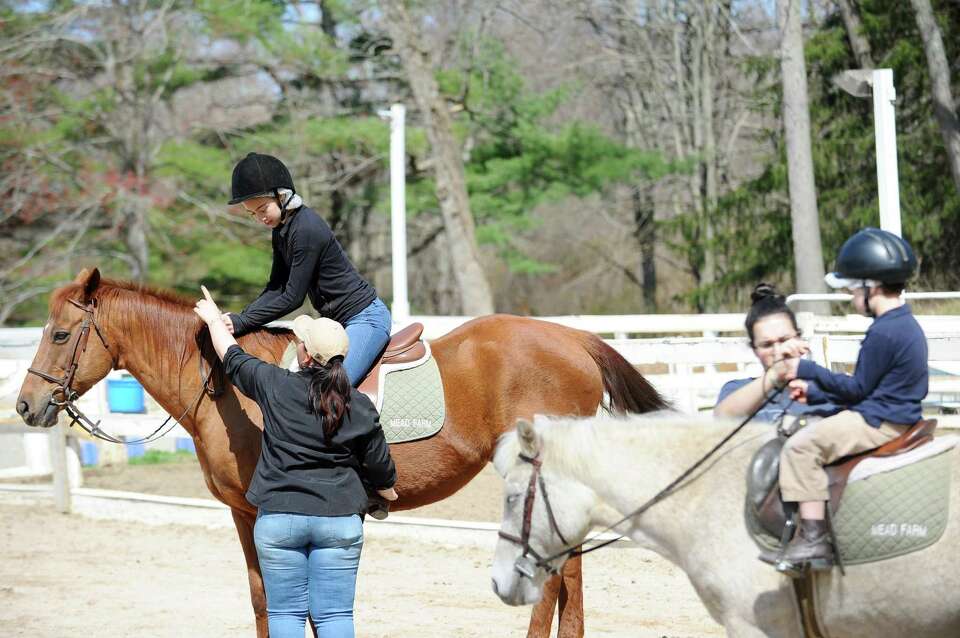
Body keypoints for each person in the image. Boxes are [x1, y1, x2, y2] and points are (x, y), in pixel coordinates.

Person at [194, 286, 398, 638]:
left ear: (304, 355)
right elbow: (381, 466)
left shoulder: (275, 384)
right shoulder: (359, 404)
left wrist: (215, 319)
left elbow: (231, 356)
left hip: (279, 521)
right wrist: (387, 490)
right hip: (339, 521)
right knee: (334, 617)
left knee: (285, 615)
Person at [768, 228, 928, 575]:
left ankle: (813, 538)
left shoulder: (884, 331)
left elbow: (857, 390)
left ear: (872, 286)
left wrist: (806, 368)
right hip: (888, 411)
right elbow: (868, 387)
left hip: (879, 421)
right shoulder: (903, 325)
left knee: (800, 447)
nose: (853, 297)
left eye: (854, 289)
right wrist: (812, 392)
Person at [223, 152, 392, 386]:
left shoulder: (305, 229)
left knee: (333, 389)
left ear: (281, 196)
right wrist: (241, 317)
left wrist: (244, 322)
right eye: (253, 213)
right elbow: (276, 287)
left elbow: (293, 297)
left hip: (365, 319)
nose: (259, 218)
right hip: (333, 325)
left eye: (263, 209)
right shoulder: (281, 230)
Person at [714, 283, 838, 424]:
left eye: (784, 340)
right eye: (767, 345)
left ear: (799, 338)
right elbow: (722, 419)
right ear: (755, 350)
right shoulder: (737, 389)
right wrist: (775, 374)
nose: (778, 351)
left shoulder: (827, 386)